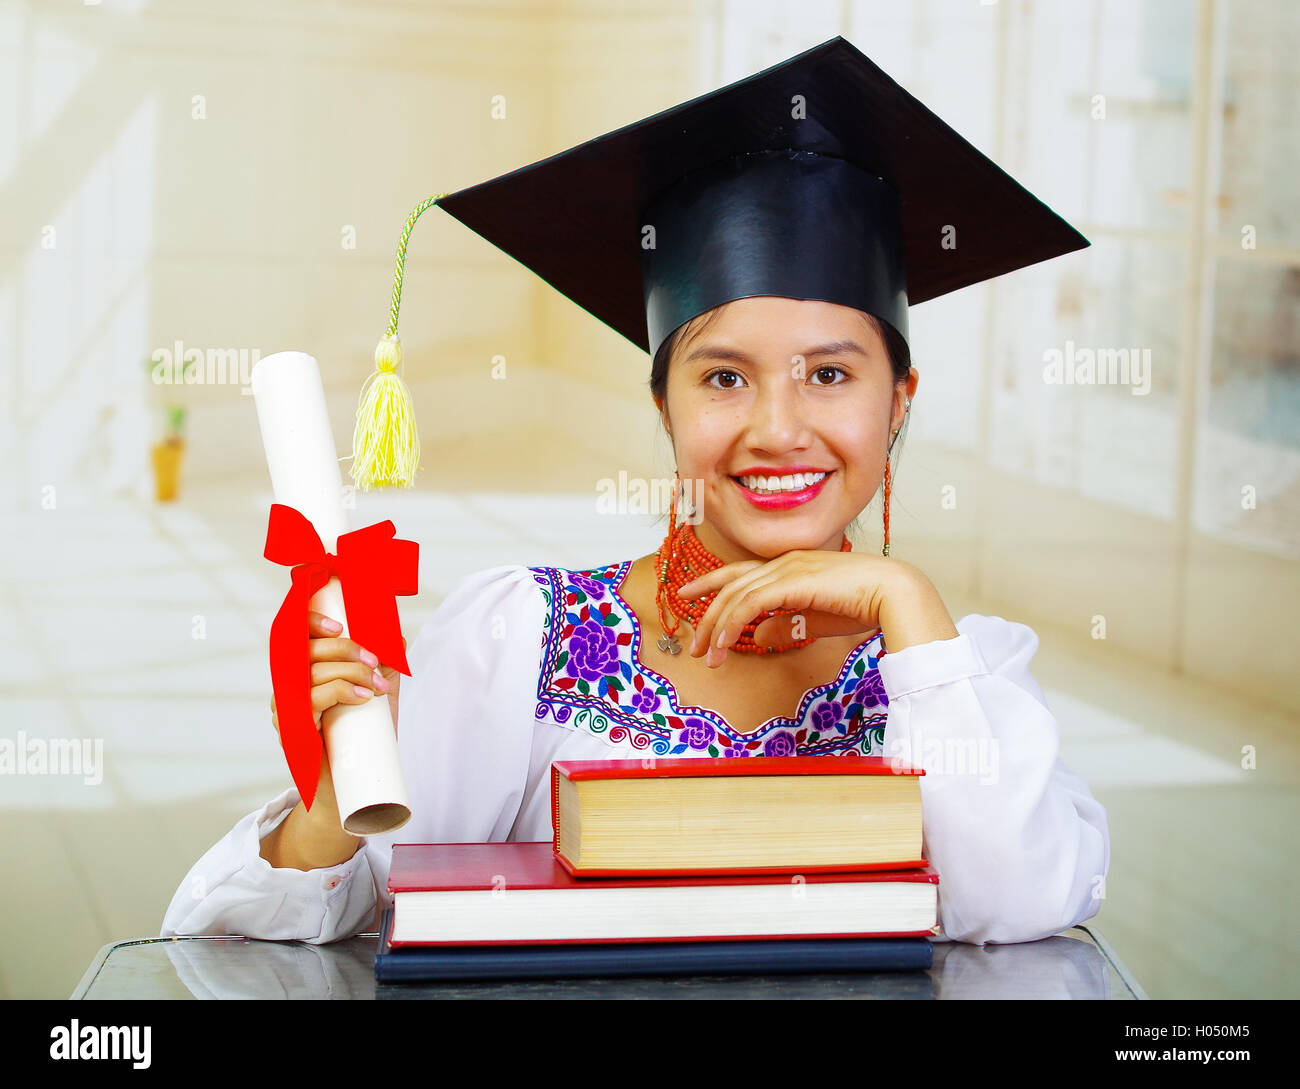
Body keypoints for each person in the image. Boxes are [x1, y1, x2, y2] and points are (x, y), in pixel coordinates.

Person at [161, 37, 1108, 948]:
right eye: (724, 378)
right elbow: (229, 938)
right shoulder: (521, 644)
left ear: (900, 395)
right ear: (663, 402)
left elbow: (1020, 906)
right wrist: (331, 815)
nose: (778, 429)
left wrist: (905, 602)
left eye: (830, 375)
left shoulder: (952, 672)